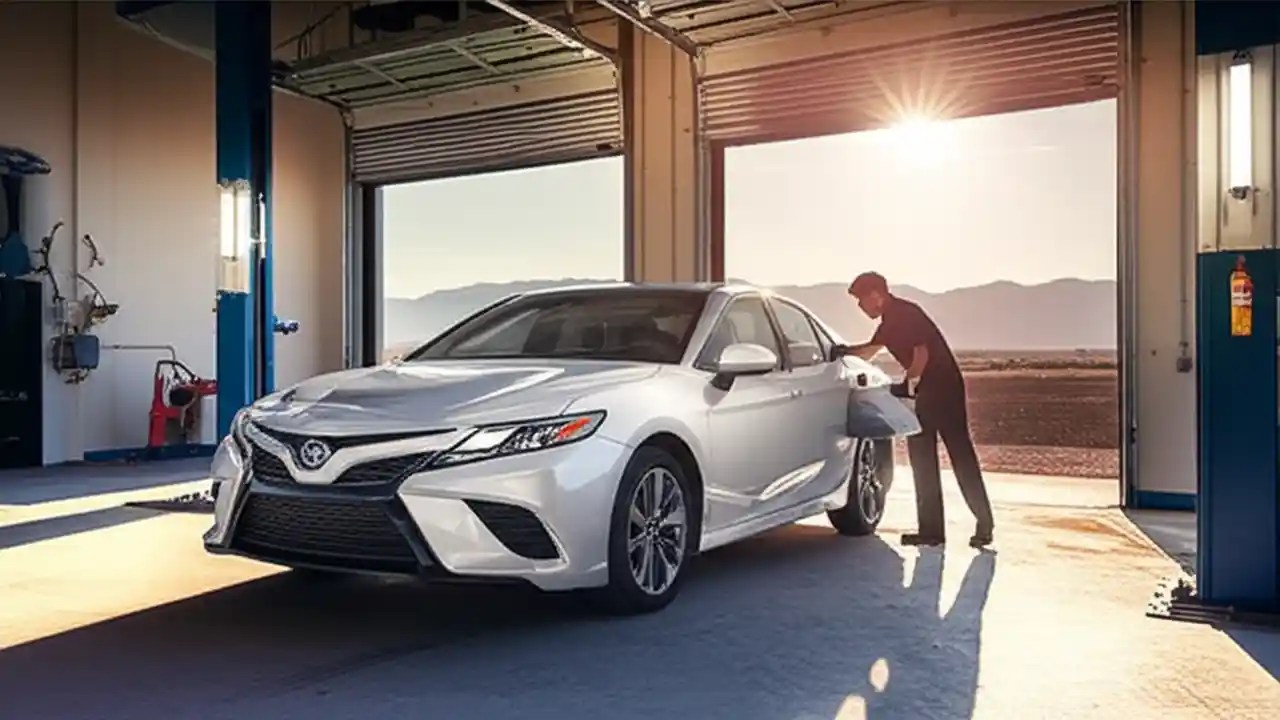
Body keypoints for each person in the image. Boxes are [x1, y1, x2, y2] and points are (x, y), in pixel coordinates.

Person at [834, 271, 994, 548]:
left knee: (959, 452)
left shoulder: (906, 313)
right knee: (922, 457)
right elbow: (871, 350)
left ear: (876, 295)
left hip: (943, 388)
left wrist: (911, 383)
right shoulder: (888, 322)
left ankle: (983, 523)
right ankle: (931, 532)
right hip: (923, 390)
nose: (861, 308)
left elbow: (922, 353)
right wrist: (841, 353)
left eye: (861, 301)